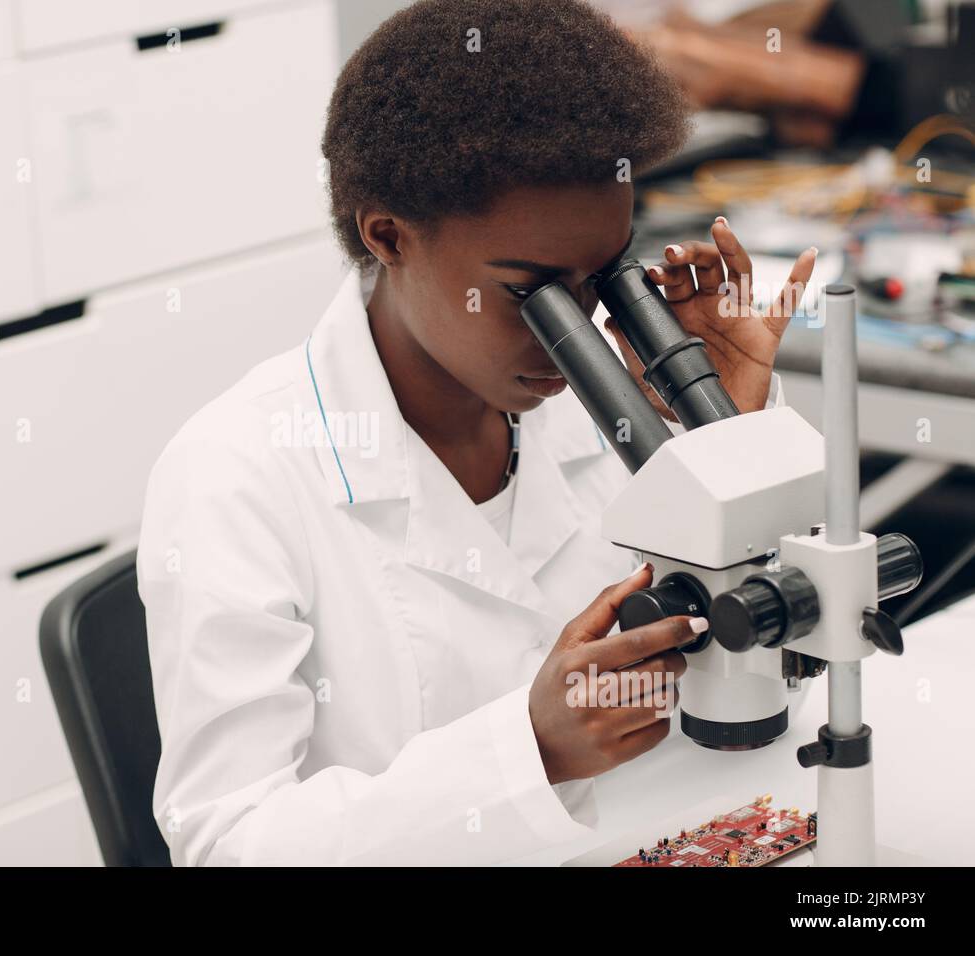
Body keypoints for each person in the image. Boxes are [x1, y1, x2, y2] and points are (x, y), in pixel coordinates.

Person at [137, 0, 817, 866]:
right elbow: (229, 843)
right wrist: (525, 753)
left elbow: (767, 702)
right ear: (387, 235)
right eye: (526, 290)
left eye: (603, 276)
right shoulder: (237, 473)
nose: (572, 331)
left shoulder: (629, 415)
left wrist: (731, 448)